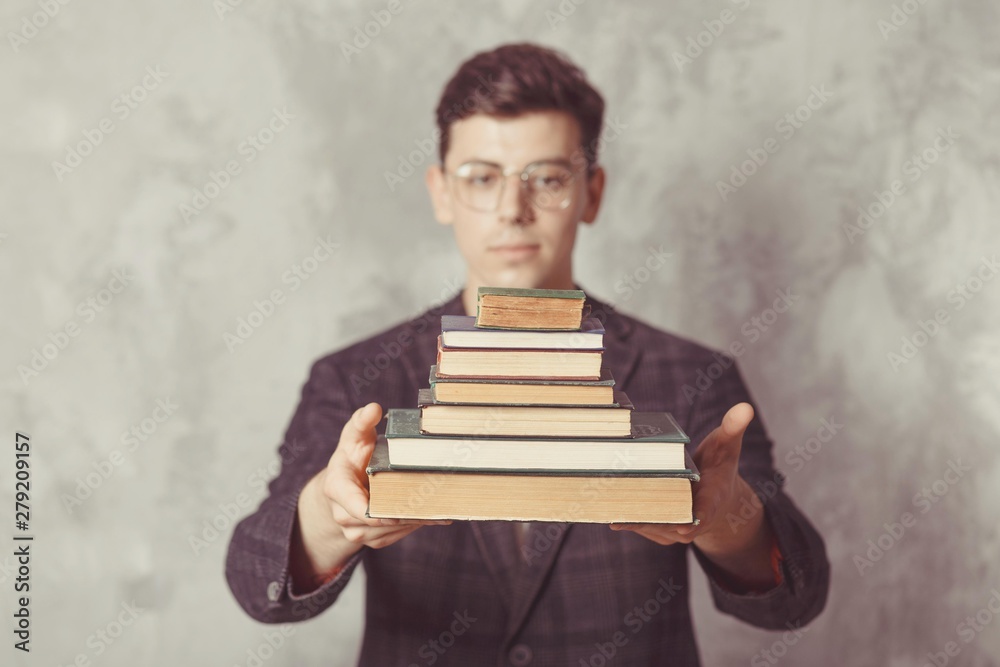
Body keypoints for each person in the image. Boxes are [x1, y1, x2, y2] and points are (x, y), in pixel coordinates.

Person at [226, 42, 830, 666]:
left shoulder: (694, 376)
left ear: (592, 193)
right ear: (441, 193)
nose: (512, 211)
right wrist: (328, 516)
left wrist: (731, 521)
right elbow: (255, 583)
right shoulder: (355, 377)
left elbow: (797, 600)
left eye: (547, 179)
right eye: (481, 178)